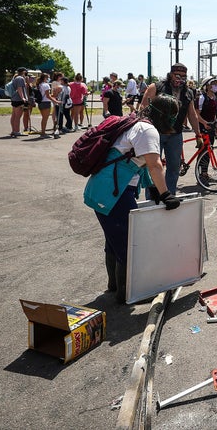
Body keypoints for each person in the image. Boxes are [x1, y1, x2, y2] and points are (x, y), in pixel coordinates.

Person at [83, 94, 181, 304]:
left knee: (114, 239)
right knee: (130, 243)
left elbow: (138, 162)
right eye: (173, 115)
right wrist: (166, 194)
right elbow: (154, 165)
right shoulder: (148, 130)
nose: (174, 120)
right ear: (164, 114)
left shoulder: (137, 123)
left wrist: (152, 187)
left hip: (103, 189)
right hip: (113, 192)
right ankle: (127, 294)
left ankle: (114, 286)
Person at [139, 63, 209, 194]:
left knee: (174, 167)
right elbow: (143, 107)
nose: (180, 79)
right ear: (171, 74)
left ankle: (170, 194)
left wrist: (198, 134)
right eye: (177, 75)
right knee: (154, 166)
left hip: (175, 134)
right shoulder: (157, 87)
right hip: (156, 133)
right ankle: (152, 197)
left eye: (183, 76)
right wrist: (145, 129)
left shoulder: (188, 92)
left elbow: (192, 114)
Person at [8, 67, 29, 137]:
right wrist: (23, 98)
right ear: (23, 72)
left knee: (14, 115)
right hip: (19, 99)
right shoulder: (20, 78)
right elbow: (19, 88)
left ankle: (13, 130)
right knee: (18, 116)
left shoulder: (16, 78)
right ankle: (17, 131)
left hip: (14, 98)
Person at [34, 72, 55, 138]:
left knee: (44, 118)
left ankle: (43, 132)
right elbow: (47, 95)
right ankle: (43, 133)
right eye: (48, 78)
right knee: (45, 119)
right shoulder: (46, 85)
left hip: (40, 102)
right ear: (45, 78)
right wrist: (55, 100)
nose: (49, 79)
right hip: (46, 102)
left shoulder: (39, 84)